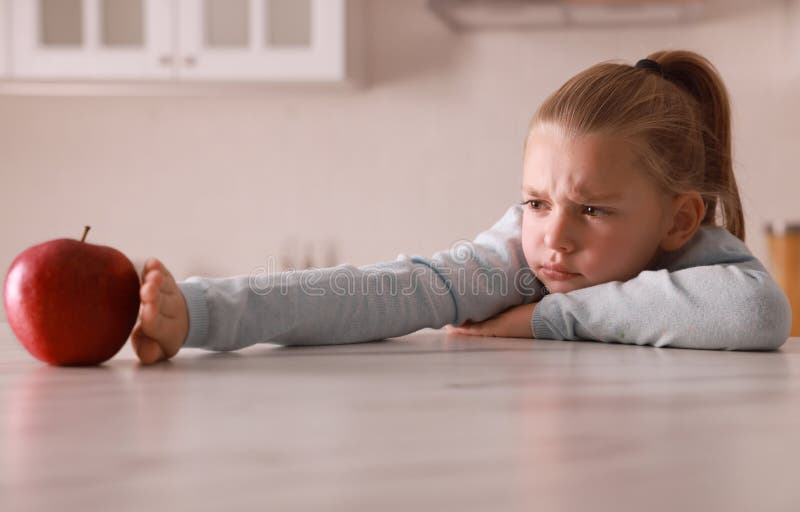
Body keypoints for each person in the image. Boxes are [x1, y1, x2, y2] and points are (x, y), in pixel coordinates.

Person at [131, 50, 792, 365]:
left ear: (677, 219)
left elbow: (759, 312)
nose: (553, 238)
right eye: (535, 201)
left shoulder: (700, 254)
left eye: (592, 211)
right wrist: (206, 311)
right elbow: (384, 293)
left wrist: (547, 319)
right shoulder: (510, 262)